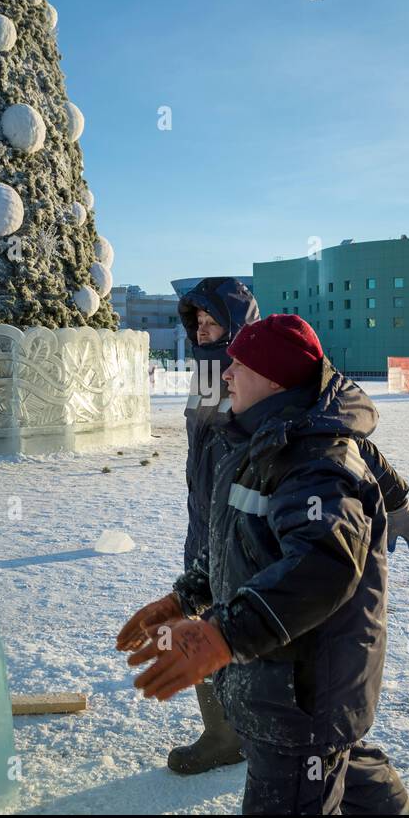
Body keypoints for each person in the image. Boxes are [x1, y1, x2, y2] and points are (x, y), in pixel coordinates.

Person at [118, 314, 409, 814]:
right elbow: (242, 548)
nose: (229, 373)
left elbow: (321, 567)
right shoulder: (259, 440)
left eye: (241, 364)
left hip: (302, 689)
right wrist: (186, 597)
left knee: (310, 760)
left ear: (276, 379)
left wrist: (226, 635)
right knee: (335, 756)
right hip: (284, 686)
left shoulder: (314, 461)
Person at [161, 277, 259, 774]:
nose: (201, 331)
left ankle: (246, 732)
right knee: (198, 624)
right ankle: (224, 731)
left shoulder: (255, 375)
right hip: (203, 528)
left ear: (237, 324)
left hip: (244, 532)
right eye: (196, 321)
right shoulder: (204, 375)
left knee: (241, 629)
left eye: (212, 320)